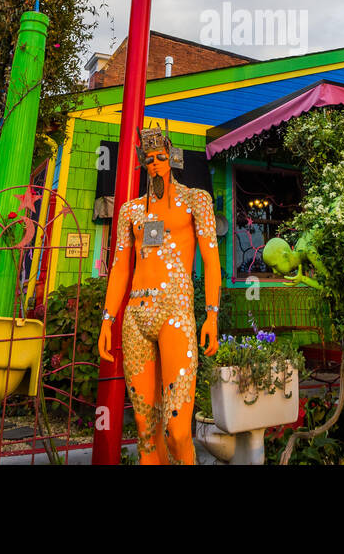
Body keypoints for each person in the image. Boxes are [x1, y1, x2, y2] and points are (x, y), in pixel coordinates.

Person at [97, 126, 221, 464]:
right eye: (148, 159)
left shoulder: (196, 200)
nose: (155, 164)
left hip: (175, 312)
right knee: (143, 423)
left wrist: (212, 314)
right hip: (136, 314)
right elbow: (120, 266)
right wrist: (108, 319)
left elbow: (211, 260)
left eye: (161, 158)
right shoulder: (130, 212)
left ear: (173, 159)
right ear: (141, 163)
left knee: (178, 428)